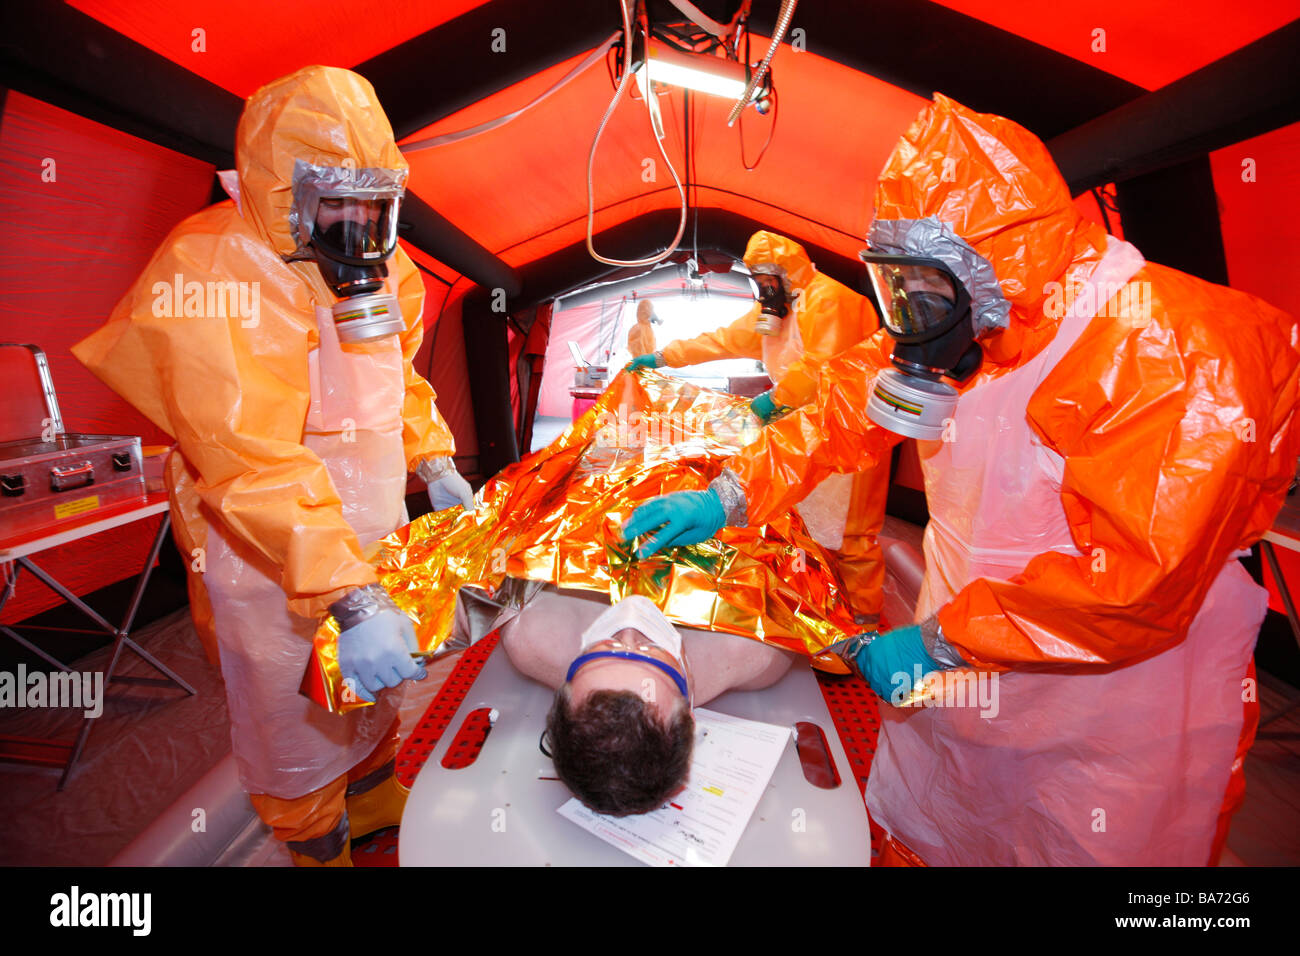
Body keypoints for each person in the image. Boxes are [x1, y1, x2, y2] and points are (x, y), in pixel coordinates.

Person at [622, 93, 1300, 865]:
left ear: (998, 259)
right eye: (895, 288)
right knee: (958, 808)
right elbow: (846, 406)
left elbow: (1136, 586)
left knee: (1074, 839)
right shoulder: (975, 315)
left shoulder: (1171, 349)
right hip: (969, 637)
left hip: (1112, 700)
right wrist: (729, 494)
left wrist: (942, 640)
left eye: (923, 290)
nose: (909, 320)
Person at [73, 66, 472, 866]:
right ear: (280, 187)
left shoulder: (387, 267)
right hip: (266, 551)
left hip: (367, 522)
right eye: (338, 205)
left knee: (373, 688)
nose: (360, 230)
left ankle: (371, 794)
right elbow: (247, 461)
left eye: (376, 205)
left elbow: (396, 375)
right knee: (285, 711)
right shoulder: (210, 271)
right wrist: (348, 597)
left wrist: (432, 461)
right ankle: (314, 848)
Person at [629, 231, 889, 626]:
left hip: (849, 428)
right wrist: (665, 356)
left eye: (769, 279)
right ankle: (816, 606)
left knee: (849, 535)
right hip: (799, 431)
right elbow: (721, 341)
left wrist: (776, 400)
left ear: (789, 273)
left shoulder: (832, 301)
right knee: (803, 523)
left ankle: (862, 619)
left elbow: (826, 367)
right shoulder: (778, 309)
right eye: (758, 280)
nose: (764, 289)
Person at [456, 585, 795, 815]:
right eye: (652, 651)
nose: (630, 629)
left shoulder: (532, 634)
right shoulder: (755, 649)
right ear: (690, 715)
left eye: (605, 650)